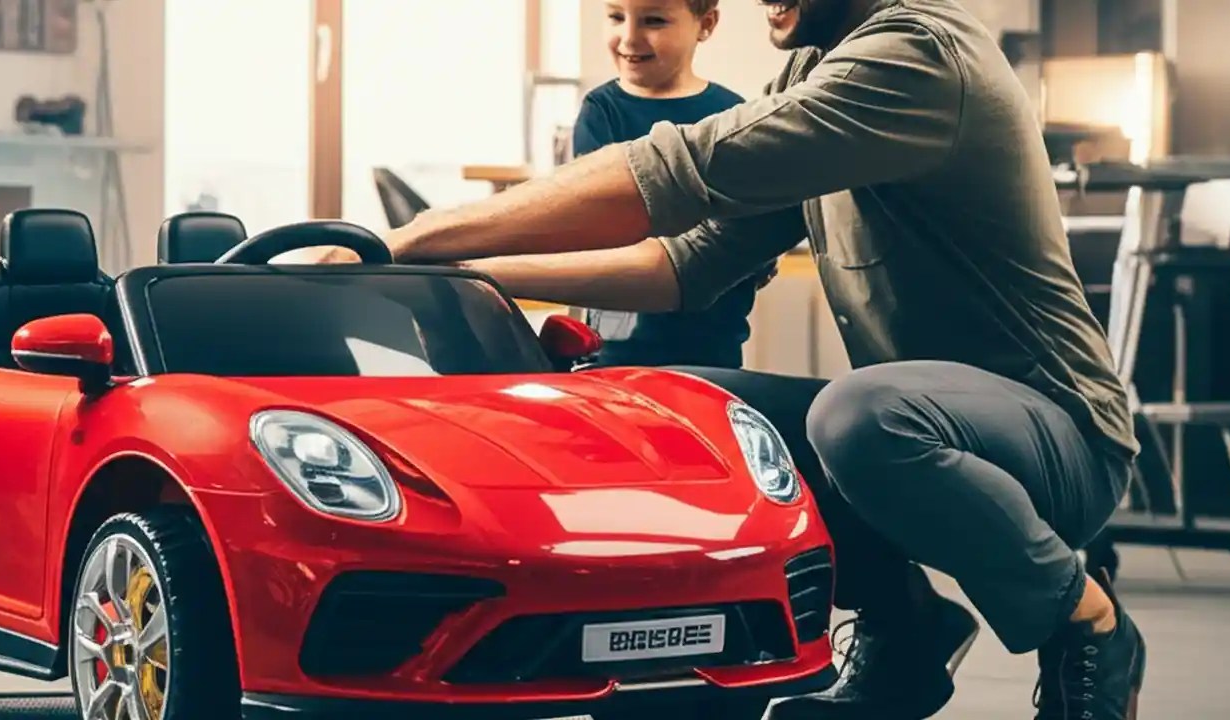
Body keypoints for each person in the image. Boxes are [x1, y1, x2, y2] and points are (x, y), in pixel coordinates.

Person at [314, 0, 1148, 718]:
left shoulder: (917, 58)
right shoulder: (816, 72)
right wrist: (449, 271)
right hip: (937, 426)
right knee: (680, 402)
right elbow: (683, 266)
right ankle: (905, 628)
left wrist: (413, 232)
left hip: (1063, 436)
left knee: (857, 416)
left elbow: (676, 174)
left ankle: (1088, 623)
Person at [572, 0, 771, 369]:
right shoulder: (601, 111)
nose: (629, 38)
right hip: (617, 352)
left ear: (705, 24)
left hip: (714, 349)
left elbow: (752, 232)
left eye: (654, 21)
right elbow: (596, 223)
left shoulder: (734, 115)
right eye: (616, 17)